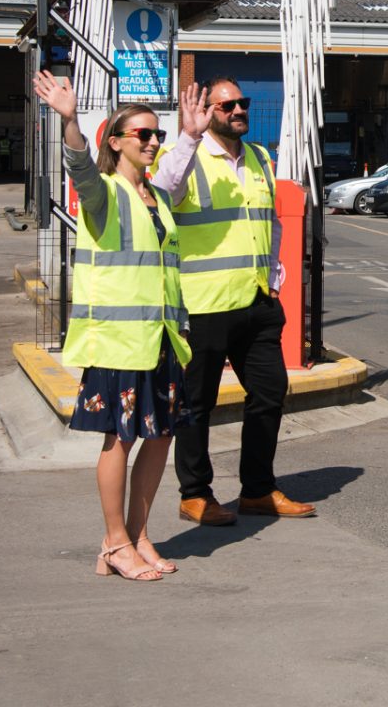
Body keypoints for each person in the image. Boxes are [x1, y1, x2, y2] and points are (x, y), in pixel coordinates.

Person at [33, 70, 192, 582]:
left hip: (161, 340)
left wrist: (188, 135)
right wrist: (71, 121)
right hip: (118, 343)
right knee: (119, 441)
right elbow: (78, 167)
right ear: (116, 142)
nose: (151, 142)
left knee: (162, 436)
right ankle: (115, 542)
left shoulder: (160, 200)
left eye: (156, 134)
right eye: (141, 134)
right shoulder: (102, 194)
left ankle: (138, 535)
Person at [151, 77, 316, 526]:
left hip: (257, 302)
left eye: (242, 103)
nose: (238, 111)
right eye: (227, 105)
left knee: (270, 392)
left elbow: (270, 219)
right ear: (208, 111)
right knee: (196, 404)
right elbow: (161, 192)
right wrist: (188, 135)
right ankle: (195, 495)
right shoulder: (186, 156)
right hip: (204, 304)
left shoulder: (261, 157)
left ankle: (258, 490)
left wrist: (275, 277)